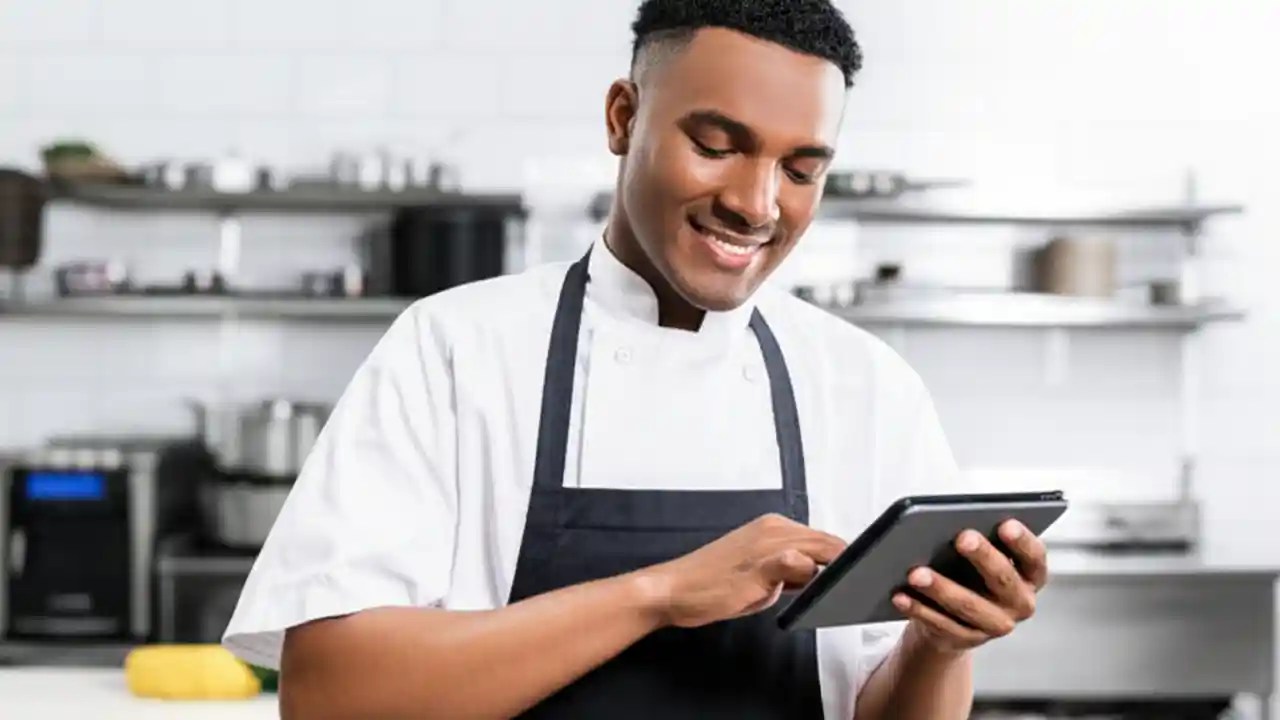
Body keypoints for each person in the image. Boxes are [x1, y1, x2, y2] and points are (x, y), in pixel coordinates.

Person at [222, 0, 1051, 717]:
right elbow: (332, 696)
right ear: (623, 117)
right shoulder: (454, 352)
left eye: (800, 169)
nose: (757, 205)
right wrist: (659, 594)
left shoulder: (867, 387)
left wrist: (940, 647)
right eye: (717, 144)